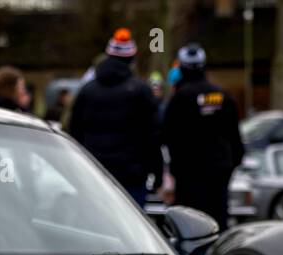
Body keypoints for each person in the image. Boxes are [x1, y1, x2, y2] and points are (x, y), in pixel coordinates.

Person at [66, 28, 162, 206]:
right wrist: (157, 172)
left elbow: (74, 132)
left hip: (94, 172)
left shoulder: (87, 91)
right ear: (132, 59)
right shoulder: (141, 91)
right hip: (132, 175)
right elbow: (152, 135)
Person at [159, 43, 243, 226]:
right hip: (218, 171)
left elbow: (166, 136)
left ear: (181, 67)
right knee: (217, 220)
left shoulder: (180, 99)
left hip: (189, 173)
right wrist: (232, 163)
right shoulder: (223, 96)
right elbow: (235, 137)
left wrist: (170, 170)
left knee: (190, 224)